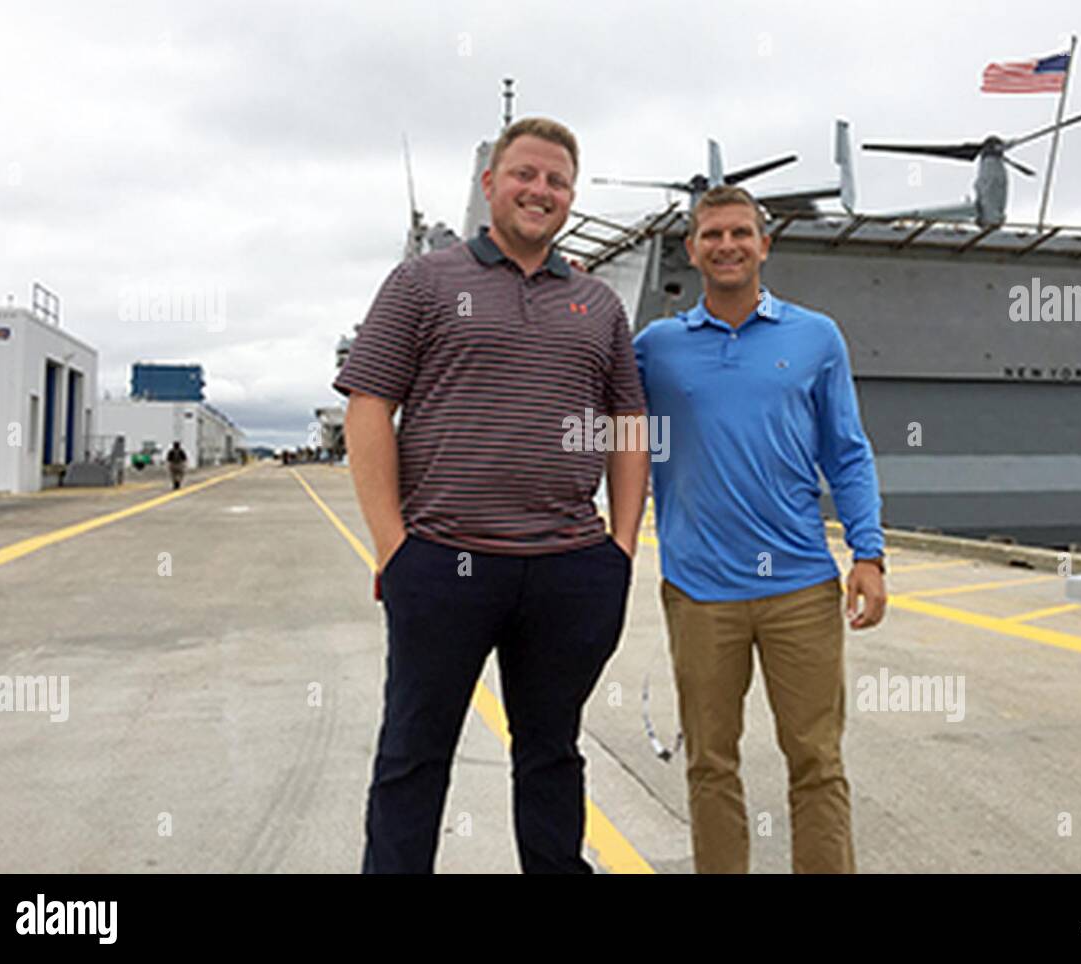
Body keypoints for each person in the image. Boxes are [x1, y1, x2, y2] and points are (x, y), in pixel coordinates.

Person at [334, 117, 649, 874]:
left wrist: (623, 548)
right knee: (414, 752)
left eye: (557, 180)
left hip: (571, 567)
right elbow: (369, 404)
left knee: (551, 753)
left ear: (570, 196)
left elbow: (629, 421)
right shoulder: (424, 281)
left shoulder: (599, 305)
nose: (540, 191)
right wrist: (393, 546)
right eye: (525, 174)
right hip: (445, 562)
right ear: (490, 185)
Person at [633, 185, 888, 874]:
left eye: (740, 233)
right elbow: (610, 428)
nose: (726, 245)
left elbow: (847, 450)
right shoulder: (656, 348)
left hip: (801, 587)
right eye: (711, 234)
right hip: (697, 589)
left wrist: (869, 551)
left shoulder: (815, 337)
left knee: (816, 760)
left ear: (764, 245)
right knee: (710, 763)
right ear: (691, 249)